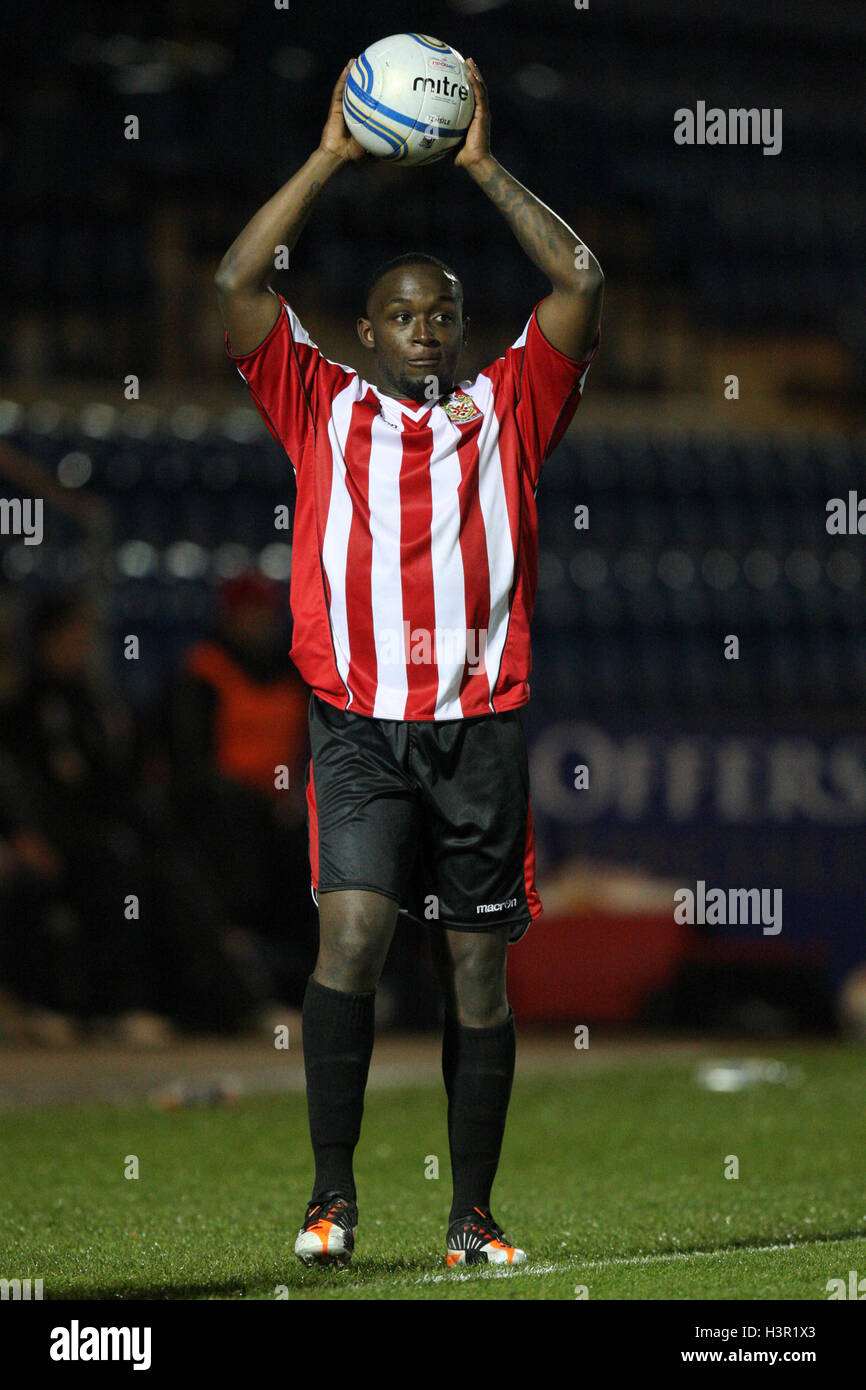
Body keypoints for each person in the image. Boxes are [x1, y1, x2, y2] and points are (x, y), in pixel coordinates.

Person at [215, 56, 603, 1268]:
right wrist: (331, 155)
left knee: (477, 974)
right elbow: (234, 279)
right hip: (359, 726)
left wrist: (480, 163)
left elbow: (581, 276)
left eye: (441, 312)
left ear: (461, 332)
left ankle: (470, 1215)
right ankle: (330, 1198)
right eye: (400, 313)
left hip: (480, 727)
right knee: (355, 935)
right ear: (364, 330)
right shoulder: (315, 400)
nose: (423, 327)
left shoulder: (513, 408)